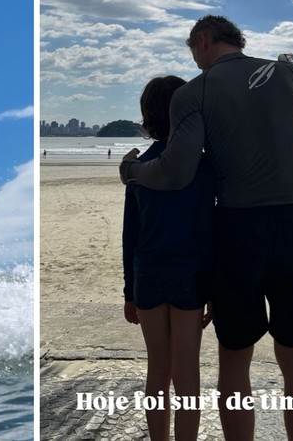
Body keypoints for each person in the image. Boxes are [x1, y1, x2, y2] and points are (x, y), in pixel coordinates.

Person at [120, 16, 293, 441]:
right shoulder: (286, 75)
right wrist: (287, 56)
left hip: (238, 228)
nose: (194, 59)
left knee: (235, 357)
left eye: (192, 50)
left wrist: (132, 170)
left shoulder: (196, 91)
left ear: (203, 39)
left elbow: (176, 170)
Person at [122, 75, 216, 441]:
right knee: (187, 374)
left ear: (148, 116)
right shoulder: (203, 166)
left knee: (157, 371)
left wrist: (129, 291)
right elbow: (208, 232)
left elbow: (131, 235)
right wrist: (212, 289)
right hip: (189, 275)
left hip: (148, 273)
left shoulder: (139, 167)